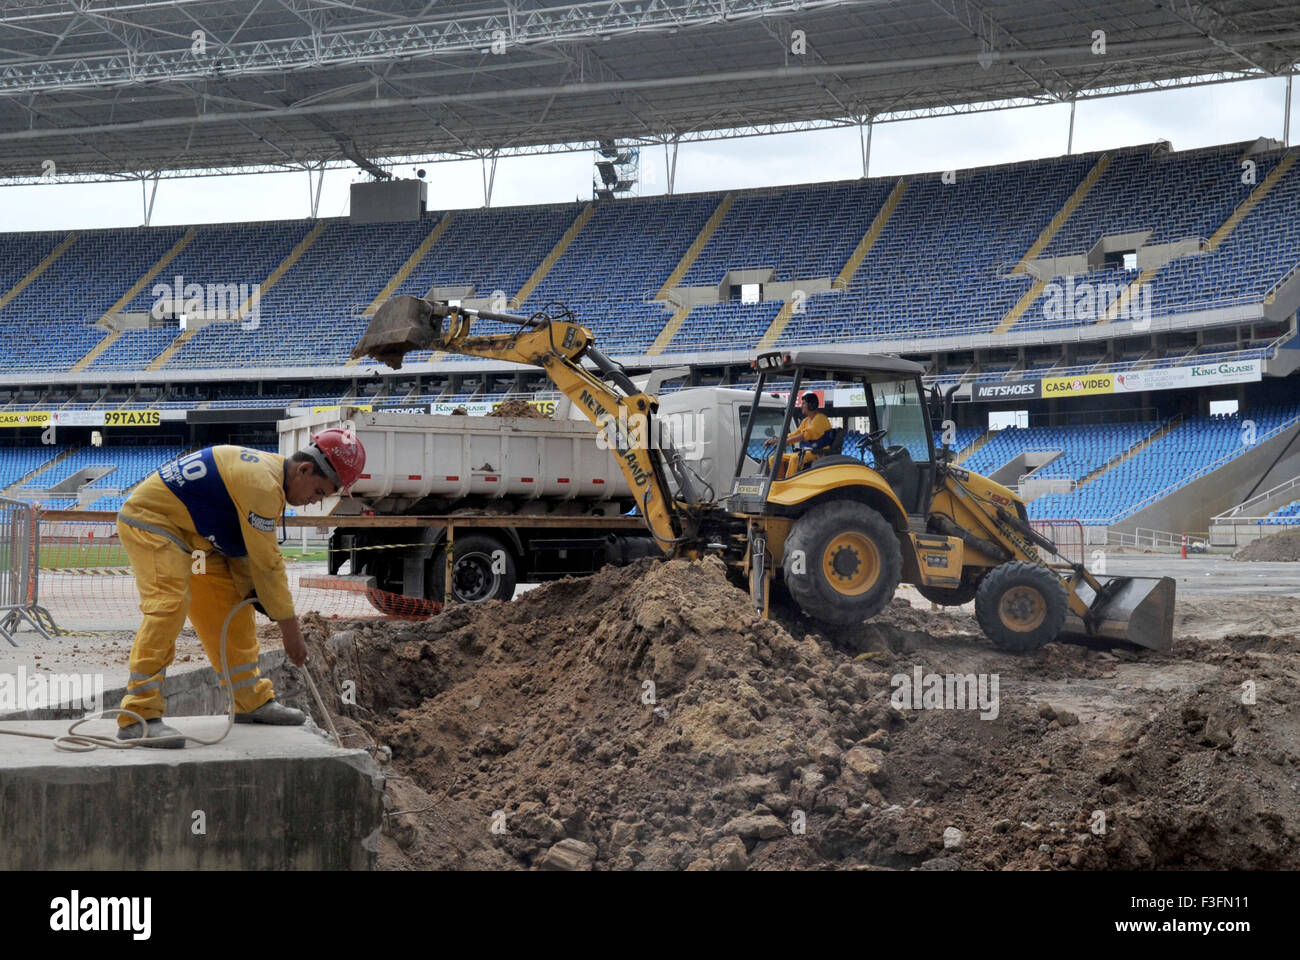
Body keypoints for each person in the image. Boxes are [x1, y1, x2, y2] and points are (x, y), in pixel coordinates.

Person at [114, 429, 366, 747]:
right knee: (169, 604)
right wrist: (290, 630)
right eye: (318, 491)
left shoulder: (269, 479)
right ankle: (138, 715)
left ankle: (250, 701)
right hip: (153, 522)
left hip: (197, 539)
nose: (314, 502)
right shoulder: (262, 483)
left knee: (234, 605)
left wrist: (250, 590)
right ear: (303, 469)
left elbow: (242, 548)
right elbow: (267, 563)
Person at [763, 392, 834, 475]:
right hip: (806, 452)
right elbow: (795, 434)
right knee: (774, 458)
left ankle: (788, 485)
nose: (801, 406)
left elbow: (805, 435)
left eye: (804, 403)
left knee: (794, 459)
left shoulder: (820, 419)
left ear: (811, 405)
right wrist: (777, 440)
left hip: (818, 453)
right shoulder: (806, 421)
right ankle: (778, 481)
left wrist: (784, 442)